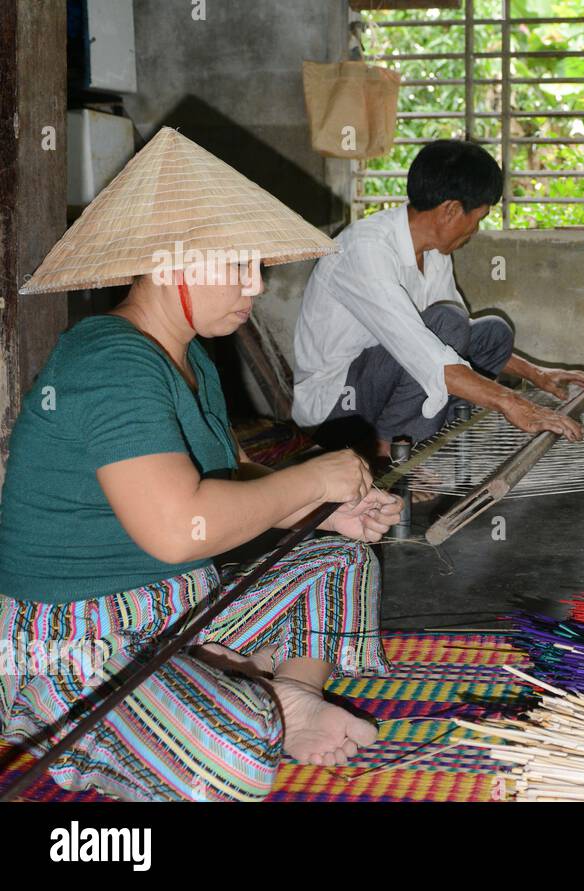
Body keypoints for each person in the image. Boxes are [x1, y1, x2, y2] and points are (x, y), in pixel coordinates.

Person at [0, 127, 400, 802]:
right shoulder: (111, 362)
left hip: (174, 606)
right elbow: (178, 527)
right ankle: (258, 699)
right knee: (233, 759)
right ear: (168, 262)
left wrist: (327, 510)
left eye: (257, 265)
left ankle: (272, 693)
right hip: (78, 640)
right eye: (237, 264)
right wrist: (312, 478)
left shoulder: (188, 357)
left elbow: (239, 486)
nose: (257, 283)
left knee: (342, 561)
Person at [292, 139, 584, 460]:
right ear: (450, 210)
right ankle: (388, 453)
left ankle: (426, 433)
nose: (475, 230)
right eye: (477, 219)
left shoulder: (434, 253)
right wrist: (511, 402)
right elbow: (423, 350)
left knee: (492, 334)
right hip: (338, 409)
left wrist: (536, 373)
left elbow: (455, 342)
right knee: (447, 324)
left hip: (382, 386)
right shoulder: (365, 250)